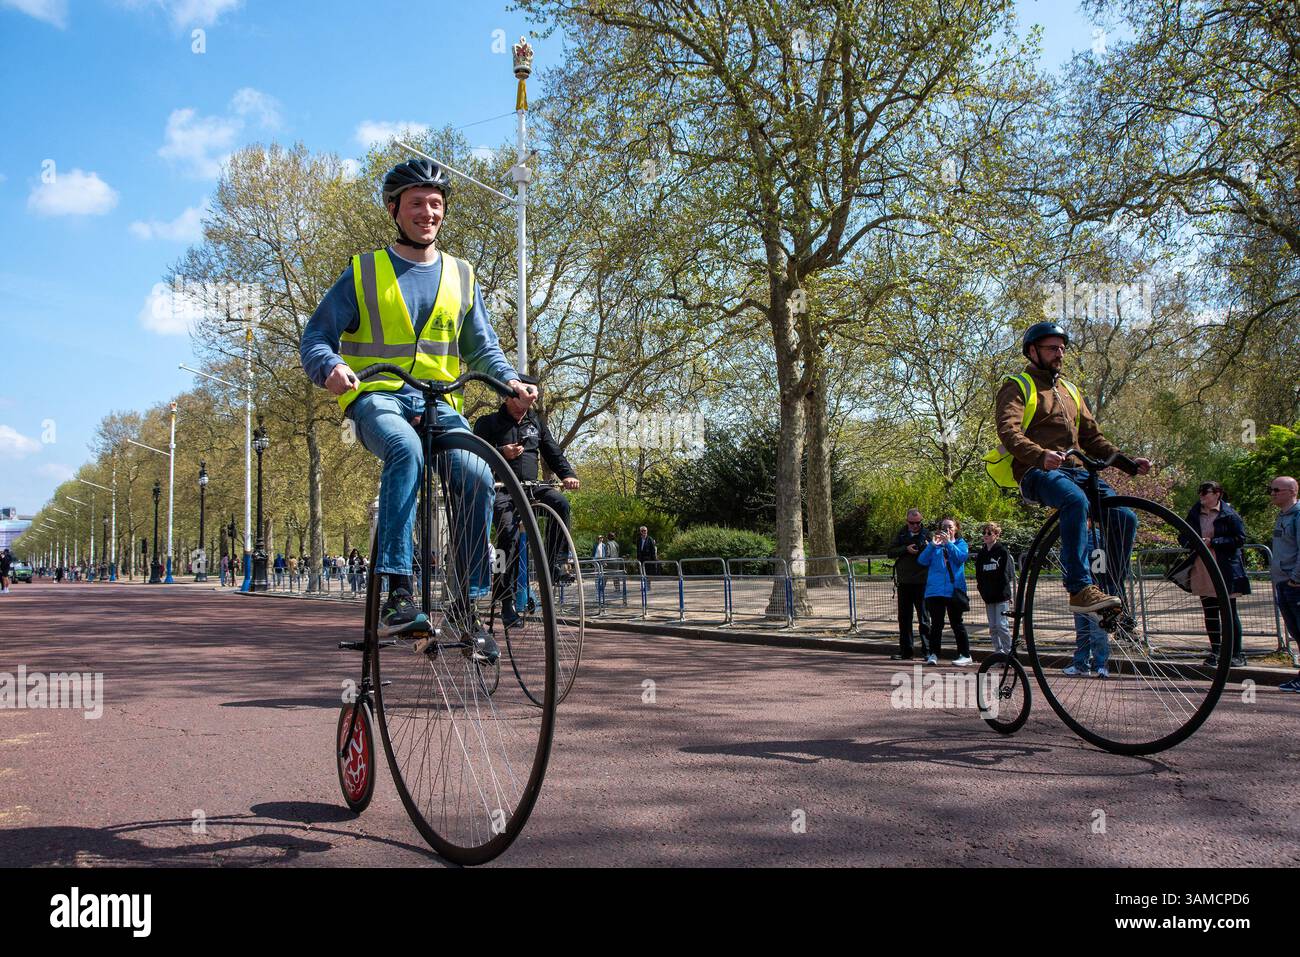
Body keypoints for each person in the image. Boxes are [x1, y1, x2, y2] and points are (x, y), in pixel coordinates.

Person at [300, 159, 534, 662]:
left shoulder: (462, 275)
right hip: (379, 397)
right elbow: (316, 338)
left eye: (435, 204)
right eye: (416, 203)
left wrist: (509, 379)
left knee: (475, 472)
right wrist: (331, 368)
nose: (427, 212)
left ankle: (467, 606)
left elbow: (483, 348)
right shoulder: (364, 271)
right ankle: (400, 593)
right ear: (394, 209)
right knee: (404, 449)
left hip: (440, 402)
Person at [995, 321, 1148, 619]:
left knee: (1125, 518)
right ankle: (1079, 588)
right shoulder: (1018, 386)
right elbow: (1009, 433)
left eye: (1062, 349)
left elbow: (1093, 439)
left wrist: (1129, 464)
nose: (1059, 354)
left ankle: (1109, 588)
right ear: (1032, 351)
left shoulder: (1070, 391)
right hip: (1037, 472)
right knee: (1075, 500)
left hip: (1078, 472)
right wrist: (1040, 456)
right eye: (1052, 348)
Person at [473, 373, 580, 625]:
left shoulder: (536, 423)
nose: (531, 398)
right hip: (502, 489)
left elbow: (552, 451)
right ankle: (506, 601)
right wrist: (501, 453)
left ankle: (555, 563)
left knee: (560, 504)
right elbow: (474, 456)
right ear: (511, 394)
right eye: (526, 392)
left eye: (533, 393)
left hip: (532, 489)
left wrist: (568, 474)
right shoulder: (488, 423)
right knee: (508, 534)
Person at [1181, 481, 1249, 667]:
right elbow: (1183, 535)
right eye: (1200, 491)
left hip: (1225, 569)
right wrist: (1192, 542)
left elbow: (1240, 539)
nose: (1201, 495)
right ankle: (1216, 651)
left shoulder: (1229, 514)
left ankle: (1236, 653)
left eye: (1205, 492)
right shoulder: (1195, 513)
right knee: (1210, 612)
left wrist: (1213, 542)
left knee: (1229, 612)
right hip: (1203, 569)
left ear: (1217, 493)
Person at [916, 517, 972, 666]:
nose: (947, 529)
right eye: (944, 527)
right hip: (935, 591)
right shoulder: (935, 546)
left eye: (950, 527)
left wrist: (949, 544)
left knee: (957, 624)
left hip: (954, 590)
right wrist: (932, 546)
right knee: (936, 625)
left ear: (956, 529)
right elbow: (921, 561)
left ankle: (965, 654)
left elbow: (961, 558)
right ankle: (934, 654)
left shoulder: (961, 544)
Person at [1268, 476, 1300, 693]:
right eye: (1270, 490)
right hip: (1284, 582)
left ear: (1292, 491)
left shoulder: (1298, 516)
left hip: (1294, 584)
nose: (1272, 493)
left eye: (1276, 490)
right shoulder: (1282, 516)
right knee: (1296, 632)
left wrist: (1296, 579)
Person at [887, 508, 931, 660]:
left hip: (922, 582)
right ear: (907, 522)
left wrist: (925, 546)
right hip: (904, 581)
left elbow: (934, 552)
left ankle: (927, 651)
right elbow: (890, 552)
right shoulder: (901, 534)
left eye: (918, 523)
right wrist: (905, 549)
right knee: (904, 618)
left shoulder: (927, 534)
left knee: (924, 618)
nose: (915, 526)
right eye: (912, 523)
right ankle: (906, 651)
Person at [974, 522, 1015, 654]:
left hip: (1001, 595)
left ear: (996, 535)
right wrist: (982, 590)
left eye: (989, 533)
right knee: (992, 627)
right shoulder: (982, 553)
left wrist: (1008, 595)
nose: (985, 536)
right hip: (988, 596)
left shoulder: (1002, 551)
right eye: (984, 533)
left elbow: (1007, 574)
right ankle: (999, 652)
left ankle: (1009, 653)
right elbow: (979, 574)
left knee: (1002, 625)